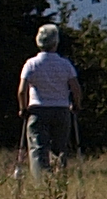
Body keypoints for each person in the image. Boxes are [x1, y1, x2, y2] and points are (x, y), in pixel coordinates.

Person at [16, 22, 81, 174]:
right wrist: (76, 105)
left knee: (38, 149)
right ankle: (58, 179)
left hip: (38, 110)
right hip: (61, 110)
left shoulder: (31, 64)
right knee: (59, 149)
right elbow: (76, 88)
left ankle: (41, 182)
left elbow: (21, 90)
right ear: (56, 42)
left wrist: (23, 108)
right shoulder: (65, 64)